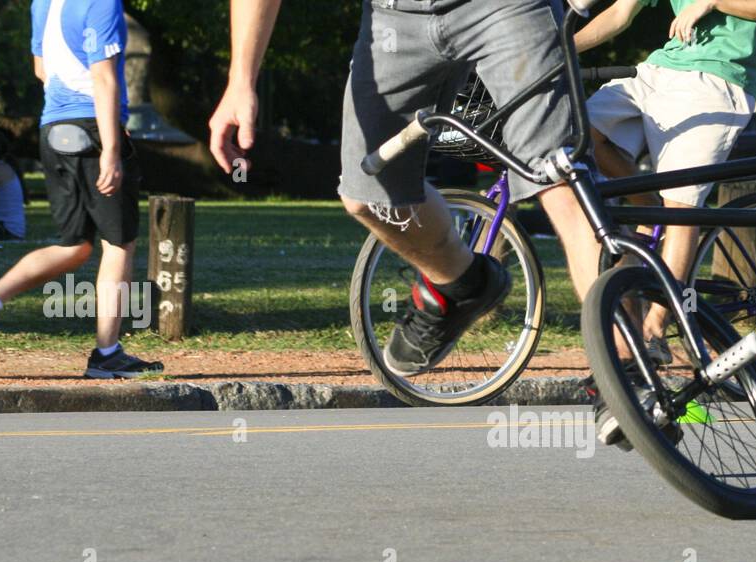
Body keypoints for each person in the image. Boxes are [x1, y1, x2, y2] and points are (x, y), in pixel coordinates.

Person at [209, 0, 602, 382]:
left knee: (561, 181)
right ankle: (463, 285)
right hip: (395, 17)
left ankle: (627, 367)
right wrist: (240, 82)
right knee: (368, 195)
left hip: (507, 8)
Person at [575, 0, 756, 363]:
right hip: (657, 70)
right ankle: (648, 209)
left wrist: (709, 2)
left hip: (718, 79)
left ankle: (655, 330)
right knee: (577, 135)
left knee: (681, 206)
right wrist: (560, 49)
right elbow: (619, 14)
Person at [0, 0, 162, 379]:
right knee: (118, 245)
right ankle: (107, 354)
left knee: (74, 245)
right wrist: (112, 147)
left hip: (53, 129)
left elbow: (42, 70)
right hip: (91, 131)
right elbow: (103, 77)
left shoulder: (43, 3)